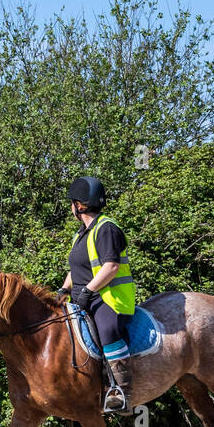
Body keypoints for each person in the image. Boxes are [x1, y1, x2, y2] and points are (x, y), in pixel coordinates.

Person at [57, 174, 137, 412]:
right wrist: (64, 289)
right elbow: (76, 270)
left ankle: (120, 391)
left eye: (72, 203)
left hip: (109, 299)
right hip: (84, 298)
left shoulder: (106, 229)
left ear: (79, 206)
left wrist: (88, 291)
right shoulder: (81, 234)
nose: (71, 208)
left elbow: (111, 267)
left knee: (107, 330)